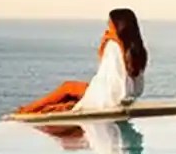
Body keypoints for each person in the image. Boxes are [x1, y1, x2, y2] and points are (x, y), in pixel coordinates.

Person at [16, 9, 148, 115]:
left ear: (118, 26)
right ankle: (46, 108)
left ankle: (27, 110)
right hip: (124, 94)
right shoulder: (136, 48)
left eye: (110, 24)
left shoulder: (113, 46)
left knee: (67, 87)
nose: (107, 28)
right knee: (73, 92)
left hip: (108, 95)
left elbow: (109, 78)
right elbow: (132, 82)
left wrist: (95, 99)